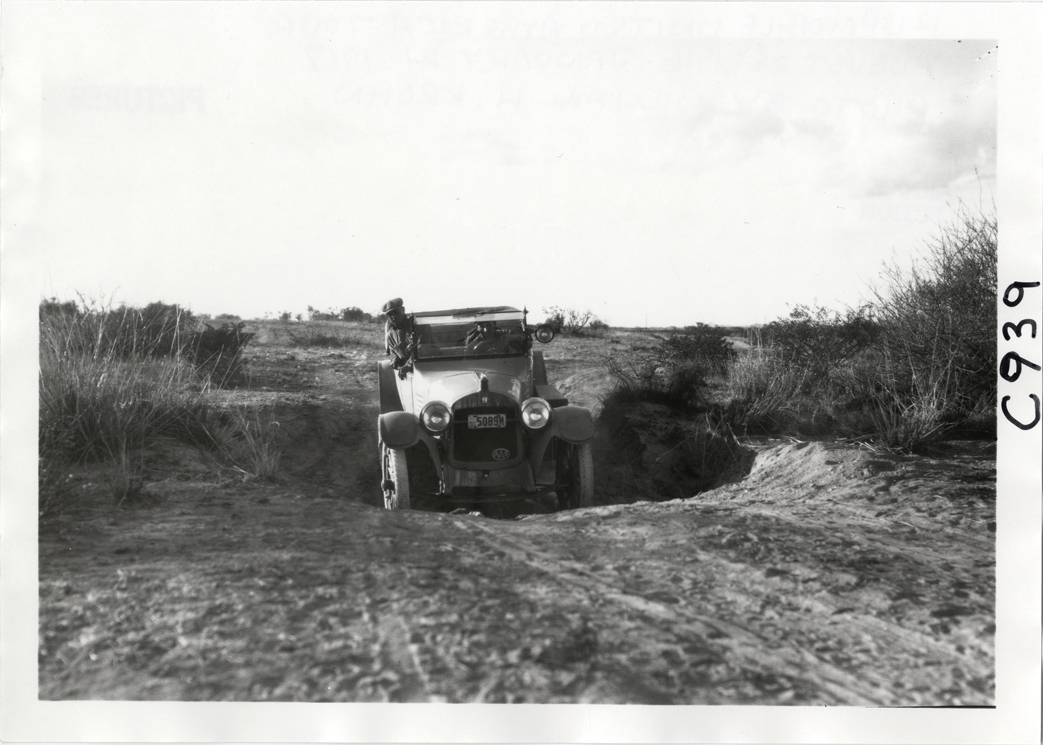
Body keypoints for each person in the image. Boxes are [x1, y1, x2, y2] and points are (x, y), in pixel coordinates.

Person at [382, 298, 413, 370]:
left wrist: (408, 364)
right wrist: (395, 359)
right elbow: (393, 352)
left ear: (403, 310)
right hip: (405, 371)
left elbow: (423, 350)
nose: (393, 317)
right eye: (390, 315)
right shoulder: (390, 335)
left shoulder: (417, 326)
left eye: (396, 312)